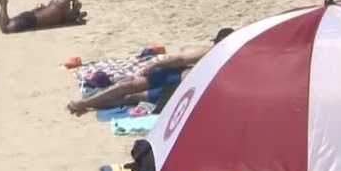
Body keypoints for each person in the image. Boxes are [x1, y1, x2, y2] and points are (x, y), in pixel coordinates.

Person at [66, 28, 234, 116]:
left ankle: (85, 103)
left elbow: (180, 59)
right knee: (129, 94)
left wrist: (153, 65)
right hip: (180, 84)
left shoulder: (210, 51)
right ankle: (85, 104)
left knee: (127, 89)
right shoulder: (230, 60)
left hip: (177, 82)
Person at [0, 0, 85, 36]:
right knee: (5, 29)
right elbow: (70, 19)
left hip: (31, 15)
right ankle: (3, 4)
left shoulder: (55, 0)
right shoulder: (65, 2)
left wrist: (77, 12)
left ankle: (3, 5)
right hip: (33, 21)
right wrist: (76, 8)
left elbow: (57, 15)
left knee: (7, 22)